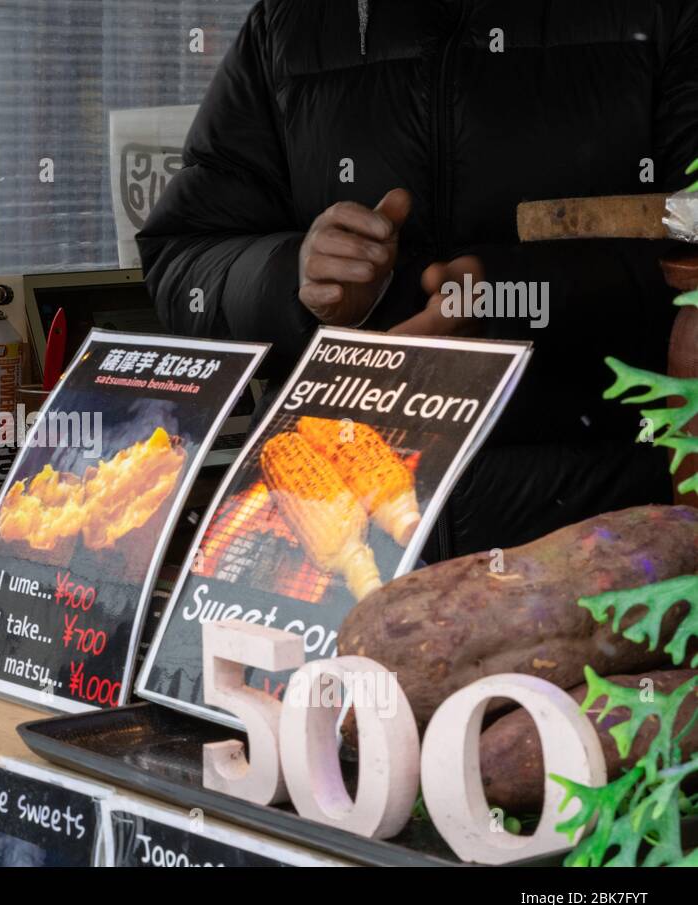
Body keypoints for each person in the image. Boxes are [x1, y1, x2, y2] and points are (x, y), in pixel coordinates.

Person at [139, 0, 698, 558]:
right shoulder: (290, 24)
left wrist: (516, 297)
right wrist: (299, 280)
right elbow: (183, 255)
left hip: (604, 541)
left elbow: (687, 237)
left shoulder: (665, 15)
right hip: (329, 544)